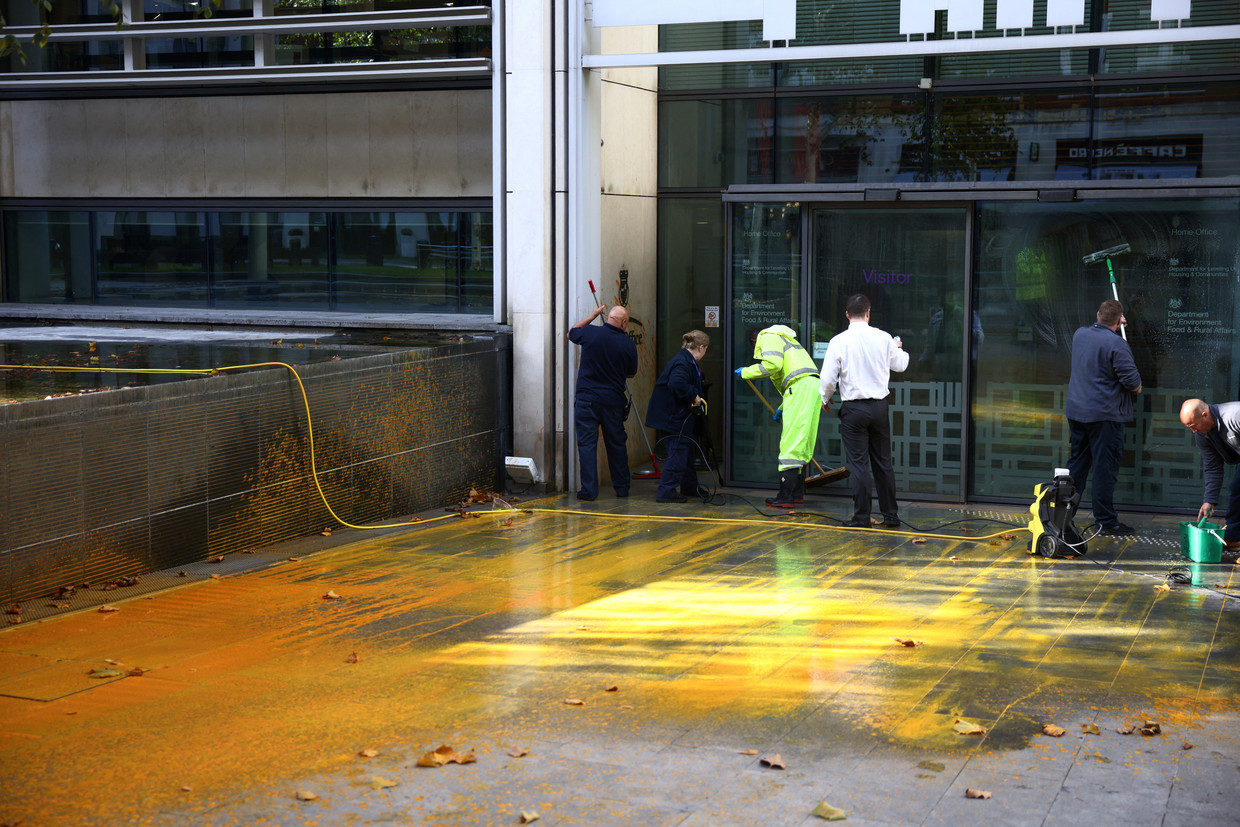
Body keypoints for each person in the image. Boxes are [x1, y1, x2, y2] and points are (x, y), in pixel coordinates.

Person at [819, 293, 909, 528]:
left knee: (858, 464)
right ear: (868, 313)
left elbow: (828, 378)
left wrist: (825, 398)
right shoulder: (884, 337)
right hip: (879, 407)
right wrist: (899, 348)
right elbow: (900, 365)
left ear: (847, 315)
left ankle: (861, 517)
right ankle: (891, 516)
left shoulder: (838, 341)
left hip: (853, 408)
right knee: (883, 463)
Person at [1064, 299, 1142, 535]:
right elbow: (1134, 385)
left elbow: (1100, 333)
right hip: (1105, 417)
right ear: (1119, 321)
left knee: (1077, 465)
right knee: (1104, 469)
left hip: (1078, 413)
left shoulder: (1080, 335)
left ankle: (1062, 515)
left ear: (1097, 315)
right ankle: (1106, 522)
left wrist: (1116, 325)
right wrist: (1118, 330)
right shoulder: (1117, 345)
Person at [735, 323, 820, 508]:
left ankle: (785, 496)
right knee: (802, 441)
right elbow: (790, 382)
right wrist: (782, 407)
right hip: (811, 388)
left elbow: (772, 365)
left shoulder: (768, 336)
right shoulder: (785, 340)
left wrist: (747, 372)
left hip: (801, 389)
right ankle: (797, 494)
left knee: (790, 443)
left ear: (754, 339)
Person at [568, 303, 638, 501]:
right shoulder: (628, 345)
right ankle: (622, 488)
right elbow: (631, 373)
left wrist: (592, 316)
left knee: (587, 445)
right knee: (616, 444)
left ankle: (589, 491)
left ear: (608, 318)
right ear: (624, 323)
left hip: (586, 400)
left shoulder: (590, 333)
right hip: (613, 402)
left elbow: (571, 332)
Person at [645, 330, 709, 504]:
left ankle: (689, 486)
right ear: (701, 348)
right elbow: (676, 383)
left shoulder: (685, 359)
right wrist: (693, 395)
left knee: (686, 453)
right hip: (673, 418)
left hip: (675, 416)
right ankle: (666, 490)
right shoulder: (683, 363)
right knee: (678, 453)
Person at [1179, 398, 1240, 558]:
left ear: (1205, 415)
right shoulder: (1202, 435)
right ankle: (1234, 538)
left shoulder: (1235, 415)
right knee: (1237, 489)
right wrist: (1209, 500)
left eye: (1193, 426)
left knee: (1237, 486)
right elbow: (1213, 467)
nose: (1193, 431)